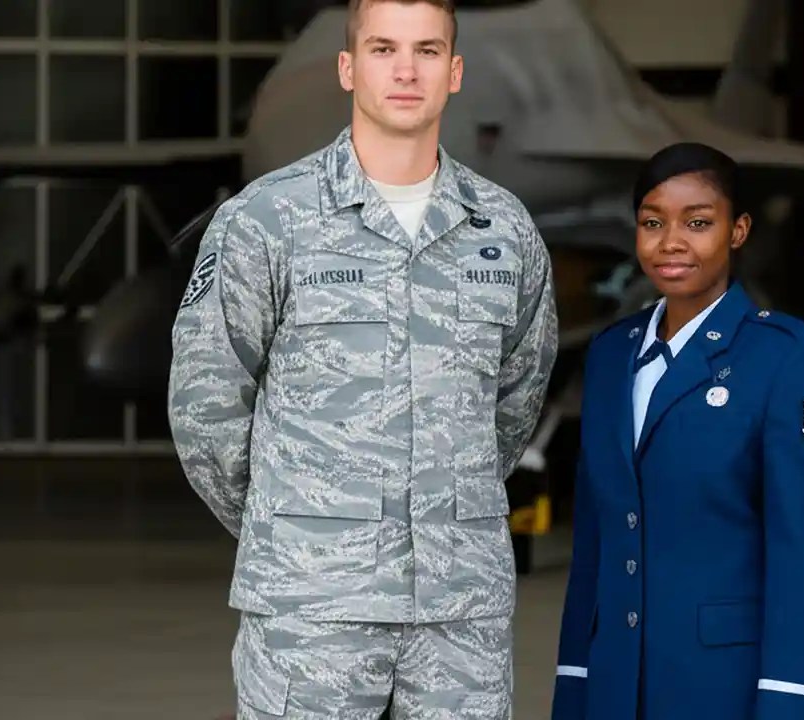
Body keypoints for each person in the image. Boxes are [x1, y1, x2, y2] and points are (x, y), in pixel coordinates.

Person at [167, 0, 559, 717]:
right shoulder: (267, 221)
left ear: (455, 71)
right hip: (312, 612)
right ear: (348, 68)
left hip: (458, 613)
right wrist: (298, 524)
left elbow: (514, 399)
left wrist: (444, 509)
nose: (406, 70)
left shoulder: (502, 231)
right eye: (383, 49)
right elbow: (207, 406)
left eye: (428, 51)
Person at [550, 142, 804, 720]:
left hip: (721, 688)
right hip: (612, 686)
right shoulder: (611, 356)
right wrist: (574, 686)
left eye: (699, 223)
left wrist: (790, 703)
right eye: (652, 223)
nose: (671, 243)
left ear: (738, 232)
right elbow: (596, 547)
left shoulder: (787, 359)